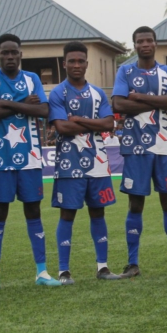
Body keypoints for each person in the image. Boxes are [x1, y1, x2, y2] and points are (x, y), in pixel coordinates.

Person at [0, 33, 60, 288]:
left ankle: (42, 272)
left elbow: (44, 111)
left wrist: (5, 103)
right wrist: (22, 103)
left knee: (33, 212)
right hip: (0, 159)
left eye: (14, 53)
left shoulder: (32, 78)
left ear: (20, 54)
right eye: (5, 53)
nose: (10, 57)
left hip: (30, 158)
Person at [112, 26, 167, 277]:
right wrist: (158, 101)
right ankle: (132, 264)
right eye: (140, 41)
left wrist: (139, 98)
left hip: (164, 147)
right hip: (136, 149)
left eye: (149, 40)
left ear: (156, 43)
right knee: (136, 204)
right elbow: (118, 104)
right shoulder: (125, 70)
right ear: (135, 45)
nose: (145, 44)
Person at [48, 41, 120, 284]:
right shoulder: (58, 93)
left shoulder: (98, 93)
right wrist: (92, 122)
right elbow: (62, 127)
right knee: (67, 215)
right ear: (64, 63)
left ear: (87, 64)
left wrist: (78, 119)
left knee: (98, 213)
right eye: (72, 61)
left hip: (98, 163)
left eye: (81, 61)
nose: (76, 65)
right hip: (69, 165)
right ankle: (63, 271)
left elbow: (109, 124)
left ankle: (103, 267)